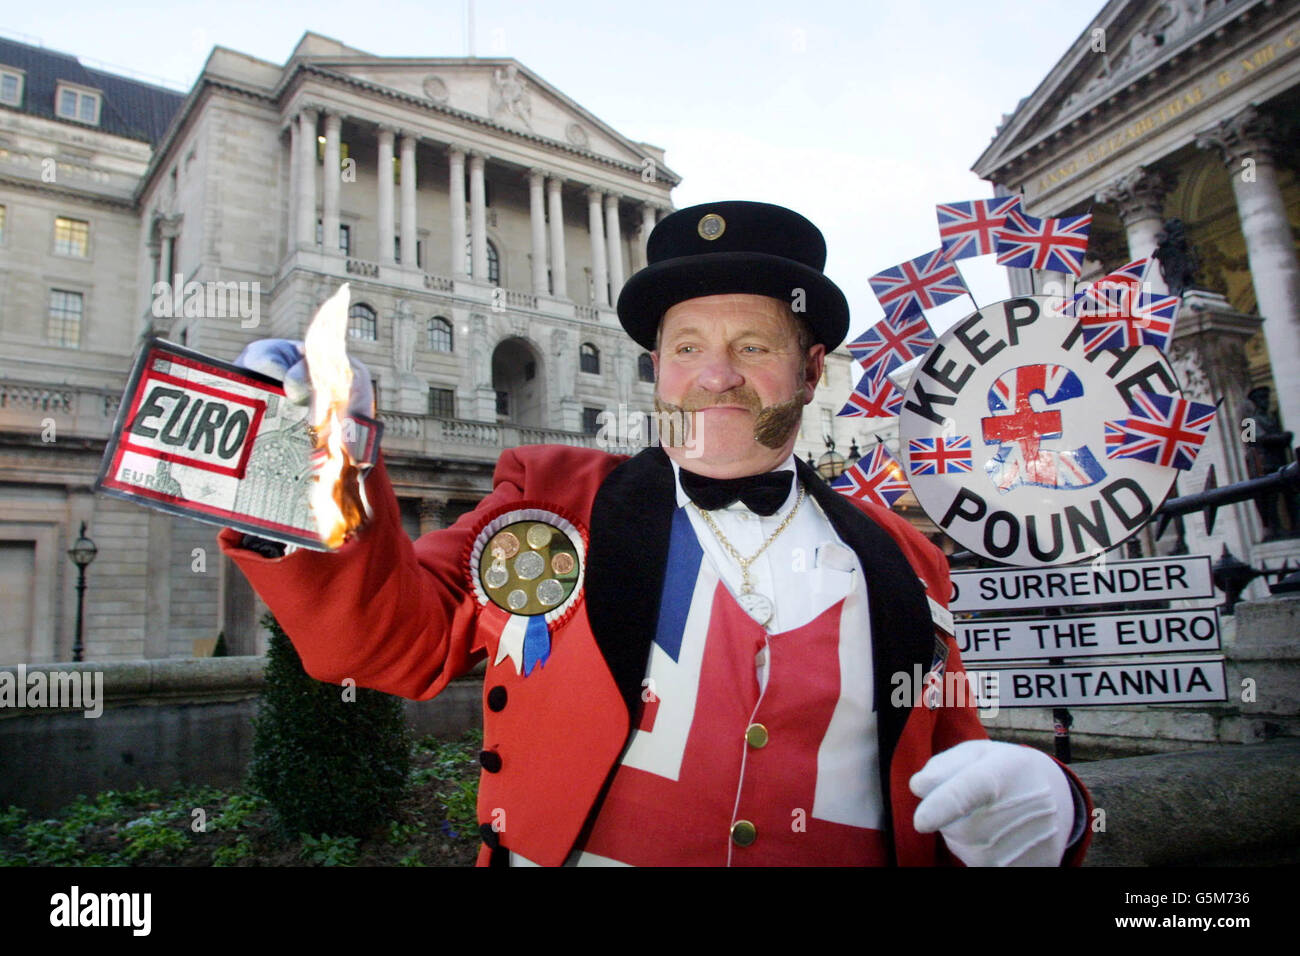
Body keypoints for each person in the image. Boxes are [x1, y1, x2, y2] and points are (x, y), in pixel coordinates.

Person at [223, 200, 1091, 867]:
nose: (714, 376)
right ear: (657, 367)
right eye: (686, 349)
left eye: (752, 346)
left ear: (811, 367)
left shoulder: (908, 561)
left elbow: (957, 776)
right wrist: (301, 475)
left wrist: (1062, 808)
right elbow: (386, 639)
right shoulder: (554, 505)